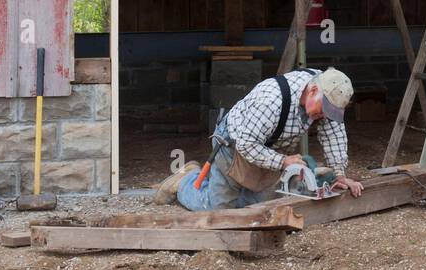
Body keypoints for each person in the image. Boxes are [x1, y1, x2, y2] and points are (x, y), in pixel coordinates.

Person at [154, 66, 363, 210]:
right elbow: (247, 144)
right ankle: (186, 180)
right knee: (218, 212)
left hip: (269, 148)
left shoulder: (330, 89)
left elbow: (334, 132)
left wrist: (338, 174)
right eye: (324, 109)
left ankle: (219, 184)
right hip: (235, 146)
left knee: (256, 210)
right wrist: (283, 161)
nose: (325, 115)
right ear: (313, 90)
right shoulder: (271, 100)